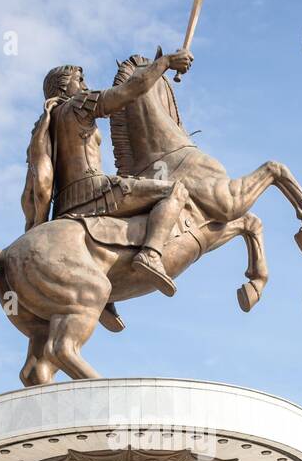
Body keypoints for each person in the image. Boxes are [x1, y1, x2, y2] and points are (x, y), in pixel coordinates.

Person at [22, 49, 194, 296]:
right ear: (62, 88)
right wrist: (164, 63)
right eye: (79, 80)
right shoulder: (79, 104)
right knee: (175, 190)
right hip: (95, 192)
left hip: (64, 207)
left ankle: (105, 287)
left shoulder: (44, 123)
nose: (85, 85)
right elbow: (127, 93)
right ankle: (151, 254)